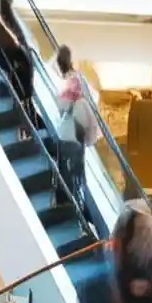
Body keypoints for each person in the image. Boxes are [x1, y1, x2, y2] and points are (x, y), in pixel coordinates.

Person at [53, 45, 99, 204]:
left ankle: (65, 201)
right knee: (78, 170)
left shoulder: (63, 82)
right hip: (79, 131)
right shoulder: (79, 78)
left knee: (64, 168)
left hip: (67, 131)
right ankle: (79, 202)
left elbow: (60, 106)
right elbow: (91, 99)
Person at [0, 0, 35, 132]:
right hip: (22, 63)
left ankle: (25, 128)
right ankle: (29, 126)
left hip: (18, 65)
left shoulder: (3, 22)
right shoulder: (11, 22)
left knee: (22, 99)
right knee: (26, 97)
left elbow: (3, 47)